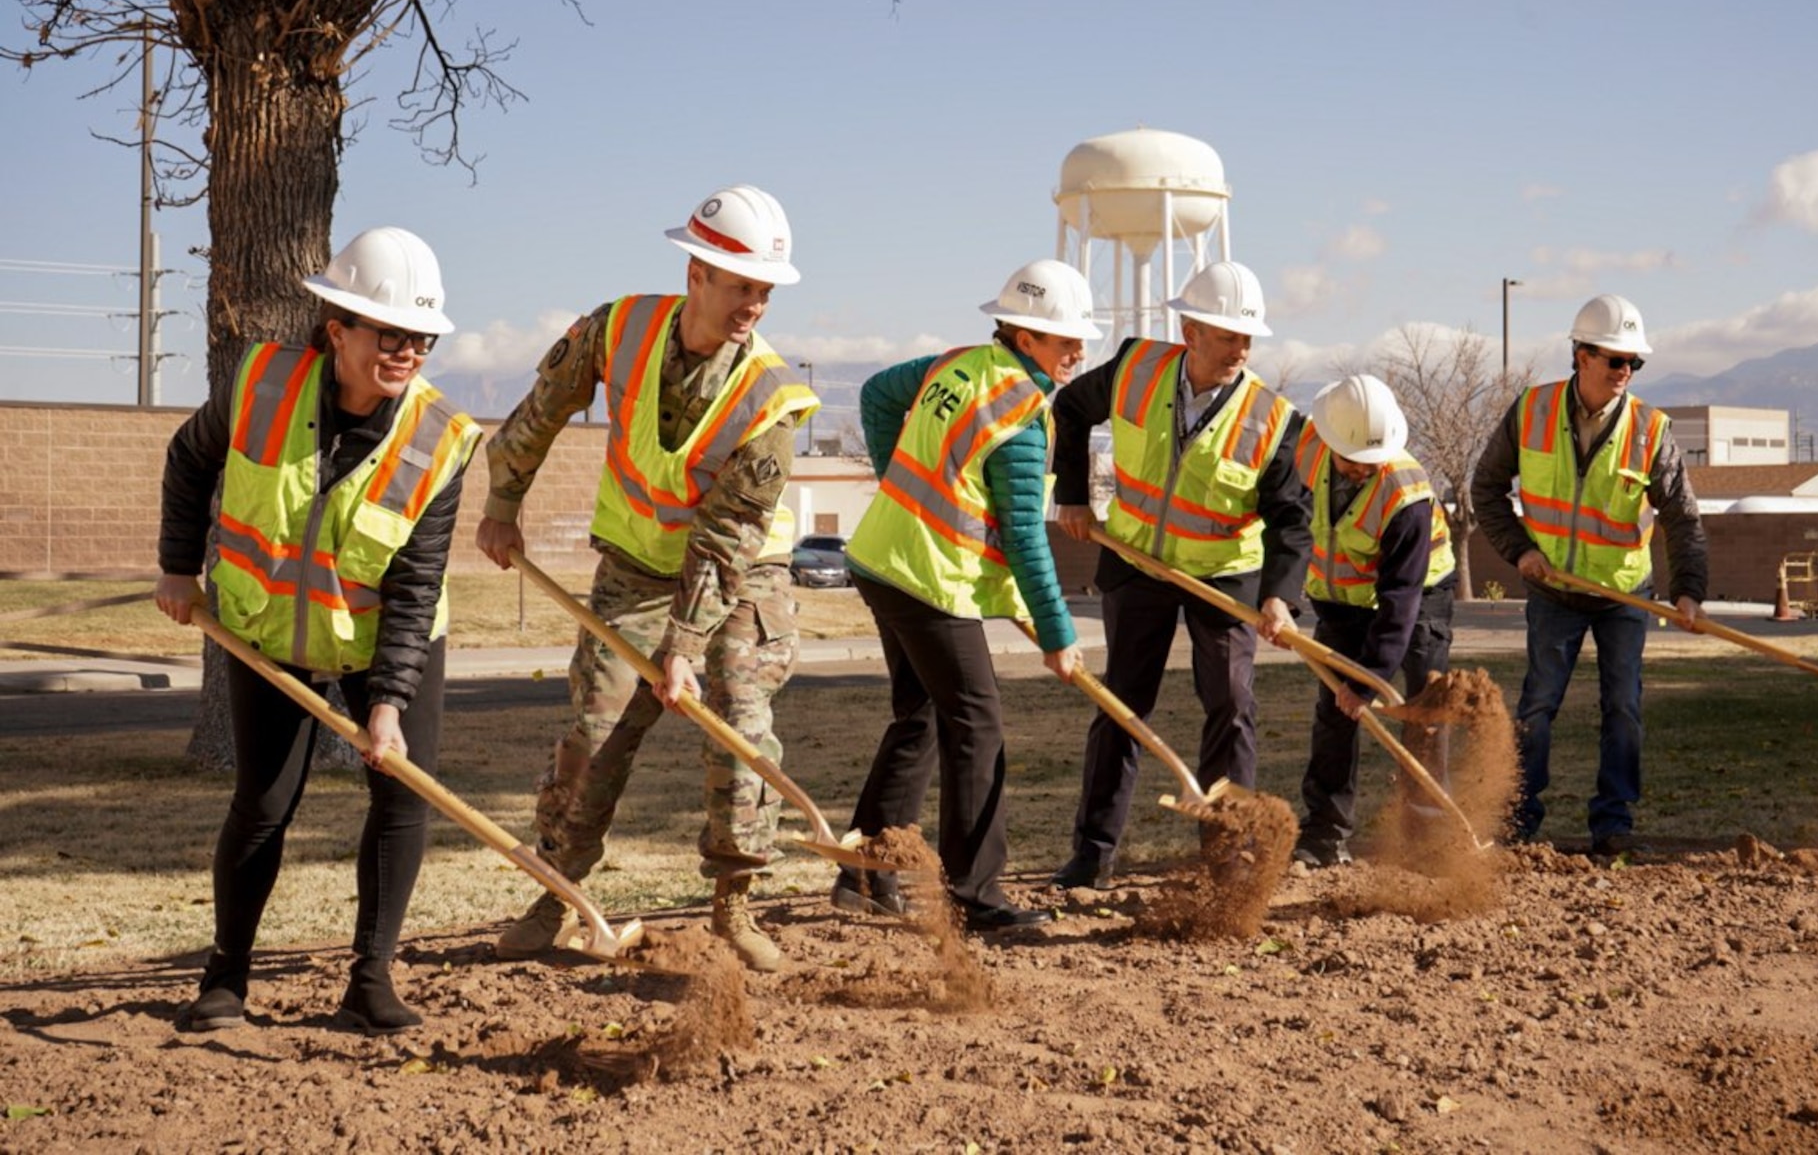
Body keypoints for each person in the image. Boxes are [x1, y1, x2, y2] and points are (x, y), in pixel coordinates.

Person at [478, 185, 818, 973]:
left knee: (736, 720)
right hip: (633, 568)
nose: (755, 306)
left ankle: (735, 901)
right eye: (741, 286)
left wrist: (686, 645)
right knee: (594, 734)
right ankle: (560, 889)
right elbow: (540, 408)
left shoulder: (772, 399)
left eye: (766, 291)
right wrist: (503, 501)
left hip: (739, 578)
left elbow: (729, 535)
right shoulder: (618, 328)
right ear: (697, 271)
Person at [155, 227, 482, 1035]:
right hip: (270, 631)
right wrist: (175, 566)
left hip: (385, 640)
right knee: (262, 804)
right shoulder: (261, 383)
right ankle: (225, 980)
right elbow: (190, 457)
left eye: (422, 338)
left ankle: (370, 981)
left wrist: (389, 705)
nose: (408, 352)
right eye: (391, 334)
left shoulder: (441, 439)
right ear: (337, 328)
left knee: (401, 798)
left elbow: (415, 581)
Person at [835, 259, 1099, 931]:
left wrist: (898, 476)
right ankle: (976, 898)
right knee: (976, 725)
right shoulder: (1022, 418)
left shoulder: (956, 363)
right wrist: (1060, 634)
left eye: (1079, 337)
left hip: (880, 559)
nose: (1077, 349)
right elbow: (1025, 540)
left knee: (921, 716)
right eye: (1062, 336)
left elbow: (874, 394)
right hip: (924, 579)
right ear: (1020, 332)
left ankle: (865, 872)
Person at [1050, 260, 1312, 891]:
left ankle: (1227, 856)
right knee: (1122, 705)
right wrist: (1075, 496)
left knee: (1231, 704)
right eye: (1227, 336)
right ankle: (1093, 853)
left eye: (1248, 339)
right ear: (1190, 332)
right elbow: (1070, 407)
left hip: (1223, 576)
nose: (1241, 350)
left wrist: (1280, 597)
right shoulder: (1135, 368)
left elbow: (1291, 521)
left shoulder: (1274, 420)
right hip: (1137, 561)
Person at [1470, 293, 1708, 860]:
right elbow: (1487, 489)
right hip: (1552, 591)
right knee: (1537, 706)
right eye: (1615, 360)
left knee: (1622, 706)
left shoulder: (1650, 429)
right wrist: (1520, 551)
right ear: (1581, 355)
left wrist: (1689, 591)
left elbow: (1682, 518)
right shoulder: (1531, 410)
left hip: (1624, 594)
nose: (1626, 372)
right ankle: (1518, 820)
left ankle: (1613, 824)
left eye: (1634, 362)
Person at [1292, 375, 1457, 867]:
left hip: (1419, 597)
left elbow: (1400, 601)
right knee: (1334, 715)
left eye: (1373, 462)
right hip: (1341, 600)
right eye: (1353, 461)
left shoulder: (1408, 497)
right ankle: (1323, 837)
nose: (1364, 471)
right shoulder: (1302, 448)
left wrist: (1367, 682)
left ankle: (1426, 839)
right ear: (1328, 441)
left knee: (1425, 709)